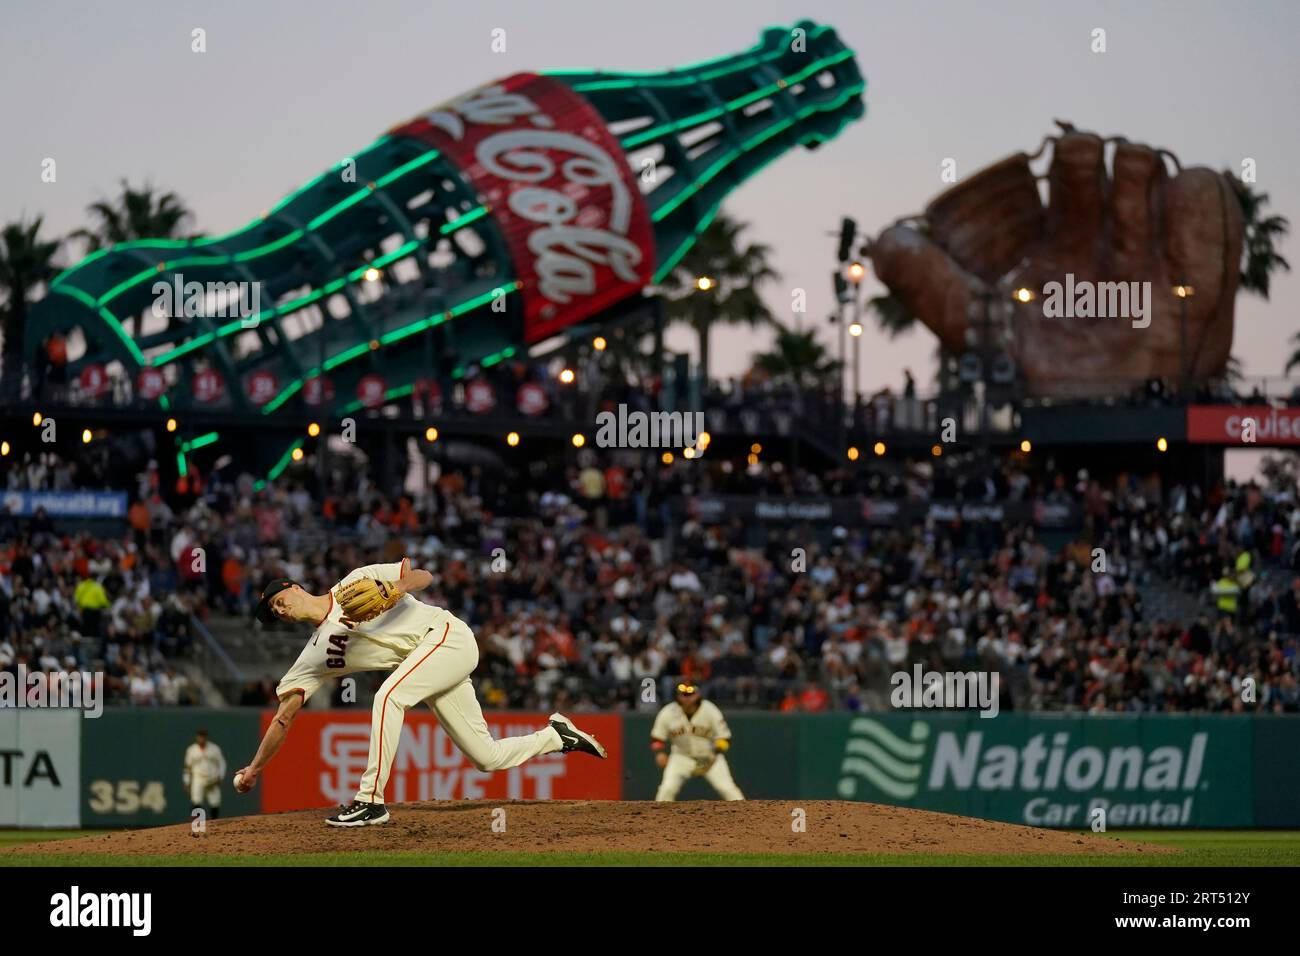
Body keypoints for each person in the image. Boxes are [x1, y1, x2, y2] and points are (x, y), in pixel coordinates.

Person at [233, 558, 606, 827]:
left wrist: (398, 587)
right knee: (487, 757)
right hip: (431, 665)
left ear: (295, 588)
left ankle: (371, 801)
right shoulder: (315, 655)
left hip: (446, 636)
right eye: (274, 612)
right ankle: (556, 736)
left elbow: (423, 574)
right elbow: (285, 715)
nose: (279, 610)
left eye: (279, 601)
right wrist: (254, 768)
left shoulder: (354, 582)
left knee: (388, 696)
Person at [650, 681, 744, 801]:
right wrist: (659, 753)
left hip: (709, 756)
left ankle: (749, 819)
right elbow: (656, 738)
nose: (687, 698)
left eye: (690, 694)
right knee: (666, 790)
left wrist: (714, 754)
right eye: (684, 695)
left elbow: (725, 737)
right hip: (681, 757)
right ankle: (659, 819)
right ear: (678, 696)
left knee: (728, 790)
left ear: (698, 694)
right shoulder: (668, 712)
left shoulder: (710, 710)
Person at [183, 728, 226, 820]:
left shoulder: (214, 748)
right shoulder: (191, 750)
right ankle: (198, 825)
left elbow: (222, 763)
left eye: (203, 736)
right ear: (197, 737)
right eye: (200, 736)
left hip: (212, 778)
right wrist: (186, 781)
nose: (201, 738)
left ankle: (215, 825)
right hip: (198, 778)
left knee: (215, 802)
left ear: (206, 737)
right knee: (196, 800)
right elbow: (187, 767)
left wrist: (220, 776)